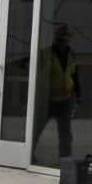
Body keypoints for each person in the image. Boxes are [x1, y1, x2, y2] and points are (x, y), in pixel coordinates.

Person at [32, 23, 80, 163]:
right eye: (61, 37)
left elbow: (75, 76)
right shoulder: (45, 54)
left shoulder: (71, 54)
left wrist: (77, 97)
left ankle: (65, 160)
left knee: (65, 133)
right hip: (47, 100)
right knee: (36, 130)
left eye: (66, 38)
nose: (63, 41)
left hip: (65, 100)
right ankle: (28, 154)